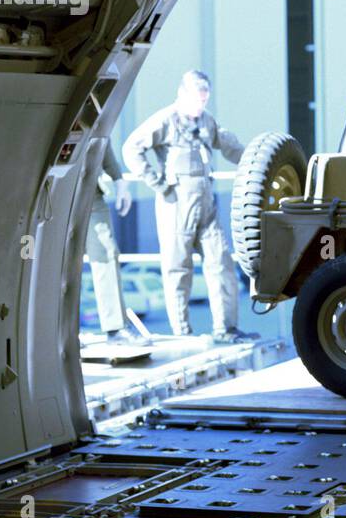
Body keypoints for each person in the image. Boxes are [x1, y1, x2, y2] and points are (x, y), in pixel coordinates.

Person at [123, 71, 257, 344]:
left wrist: (256, 160)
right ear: (182, 94)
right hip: (176, 203)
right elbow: (132, 148)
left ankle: (226, 329)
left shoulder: (207, 121)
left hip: (206, 203)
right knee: (178, 269)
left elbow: (231, 147)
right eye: (197, 100)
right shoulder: (165, 120)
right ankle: (182, 333)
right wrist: (157, 183)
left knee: (221, 263)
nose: (200, 106)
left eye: (204, 100)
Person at [86, 139, 149, 347]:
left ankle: (116, 328)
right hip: (54, 193)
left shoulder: (94, 112)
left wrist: (119, 181)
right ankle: (58, 331)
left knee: (106, 252)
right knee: (58, 260)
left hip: (91, 193)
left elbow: (101, 138)